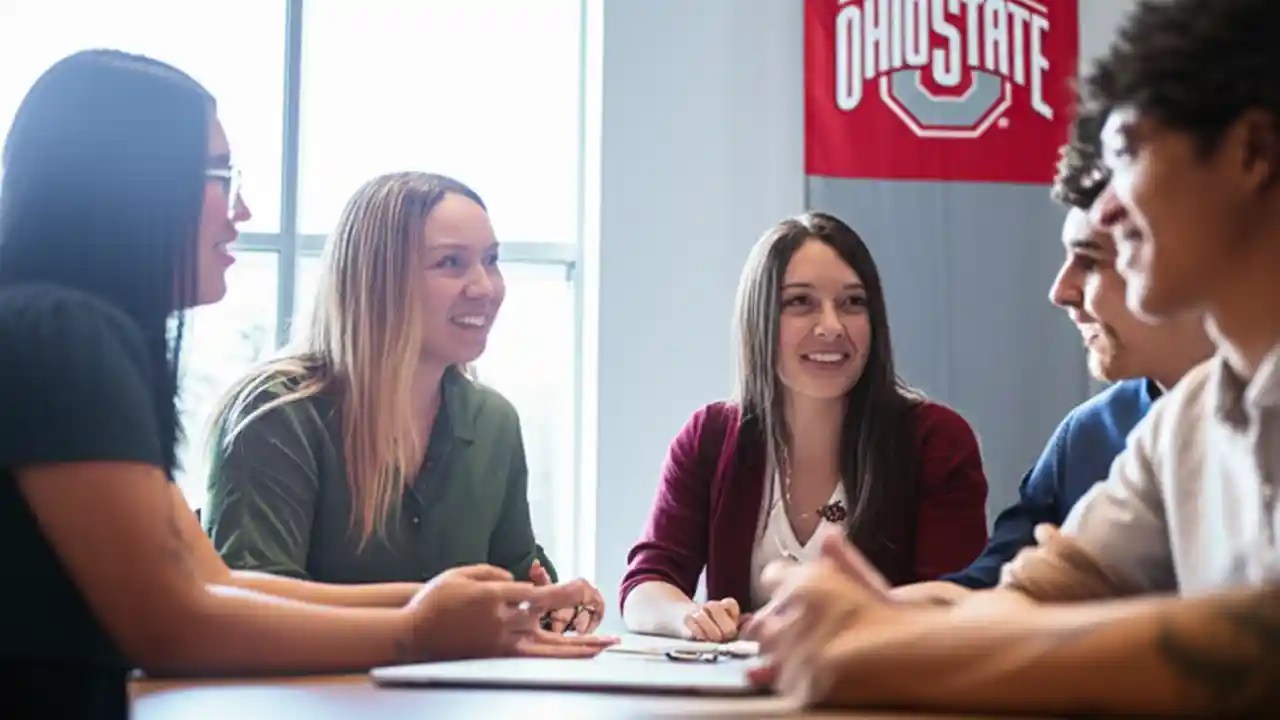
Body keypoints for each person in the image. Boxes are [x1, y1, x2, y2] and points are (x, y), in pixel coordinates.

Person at [0, 50, 609, 719]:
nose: (242, 209)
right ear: (133, 182)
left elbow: (211, 581)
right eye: (220, 177)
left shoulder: (69, 334)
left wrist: (460, 601)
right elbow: (172, 623)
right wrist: (418, 628)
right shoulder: (62, 337)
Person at [745, 0, 1280, 715]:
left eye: (1128, 155)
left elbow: (1259, 641)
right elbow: (1034, 595)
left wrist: (886, 649)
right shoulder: (1183, 422)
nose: (1112, 213)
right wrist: (867, 617)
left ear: (1250, 152)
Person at [203, 171, 604, 634]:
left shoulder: (494, 422)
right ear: (377, 279)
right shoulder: (275, 414)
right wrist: (434, 616)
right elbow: (254, 604)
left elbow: (514, 583)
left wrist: (552, 605)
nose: (485, 287)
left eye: (491, 261)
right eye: (451, 263)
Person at [620, 211, 989, 641]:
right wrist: (687, 617)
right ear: (759, 319)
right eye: (800, 302)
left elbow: (955, 602)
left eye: (853, 303)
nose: (832, 326)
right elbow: (646, 584)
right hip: (744, 698)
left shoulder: (937, 441)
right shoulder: (709, 436)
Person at [895, 106, 1213, 603]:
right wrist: (866, 611)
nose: (1060, 292)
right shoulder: (1134, 432)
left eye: (1099, 256)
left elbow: (1236, 639)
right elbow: (1017, 586)